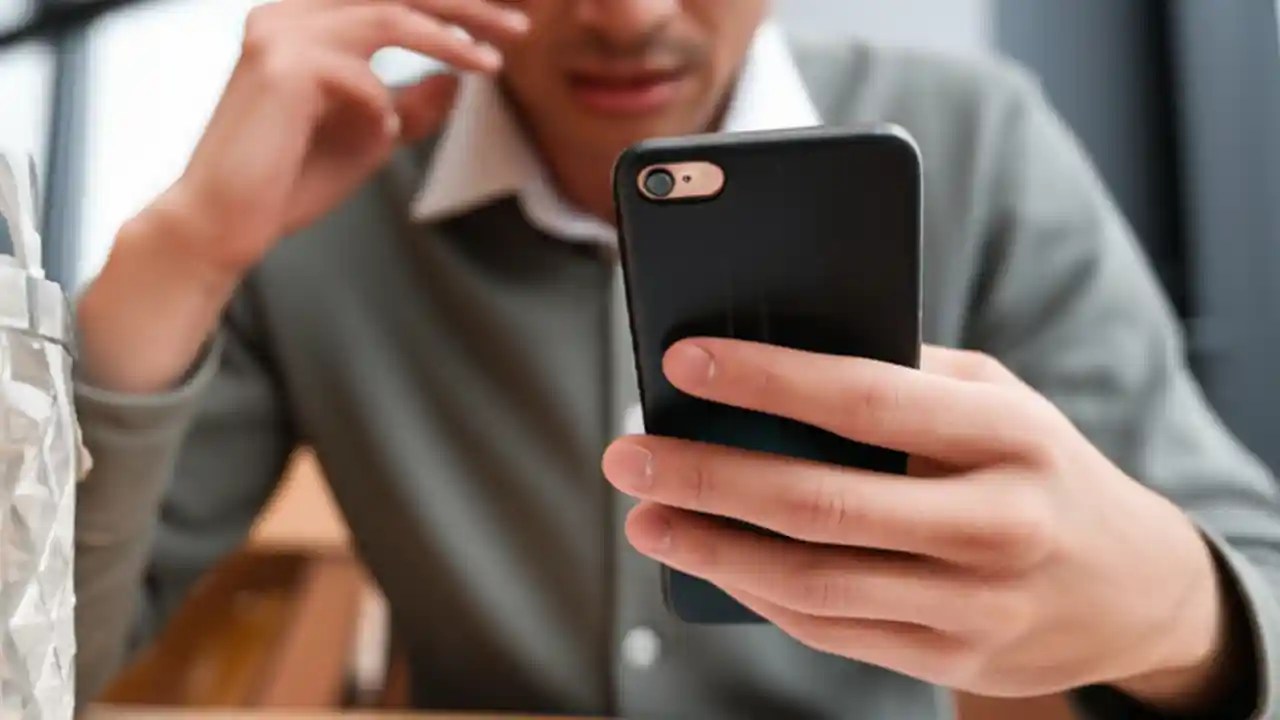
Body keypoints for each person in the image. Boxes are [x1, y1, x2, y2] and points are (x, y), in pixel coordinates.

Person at [72, 1, 1280, 718]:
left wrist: (1176, 614)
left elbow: (1256, 580)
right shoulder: (315, 192)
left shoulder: (976, 141)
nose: (627, 13)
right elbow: (46, 656)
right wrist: (179, 250)